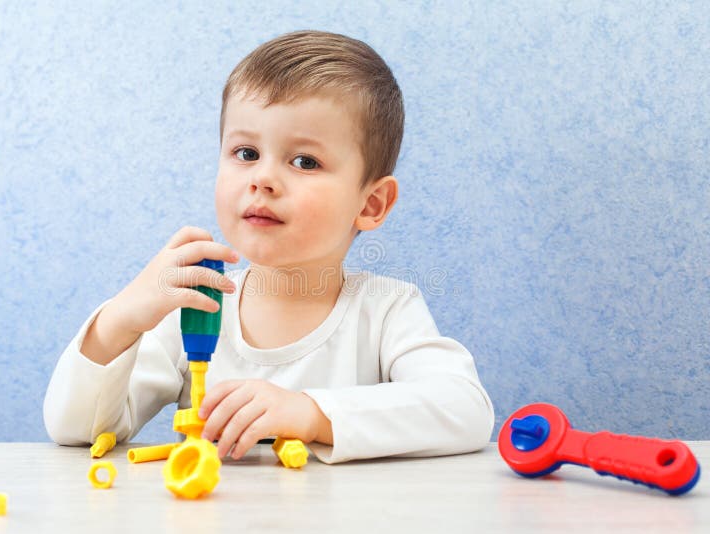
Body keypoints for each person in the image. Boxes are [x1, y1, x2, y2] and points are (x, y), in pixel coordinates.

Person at [43, 29, 494, 464]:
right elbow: (75, 430)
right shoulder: (195, 305)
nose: (262, 178)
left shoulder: (386, 311)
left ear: (371, 203)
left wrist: (311, 414)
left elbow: (465, 410)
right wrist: (121, 318)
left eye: (304, 161)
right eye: (246, 153)